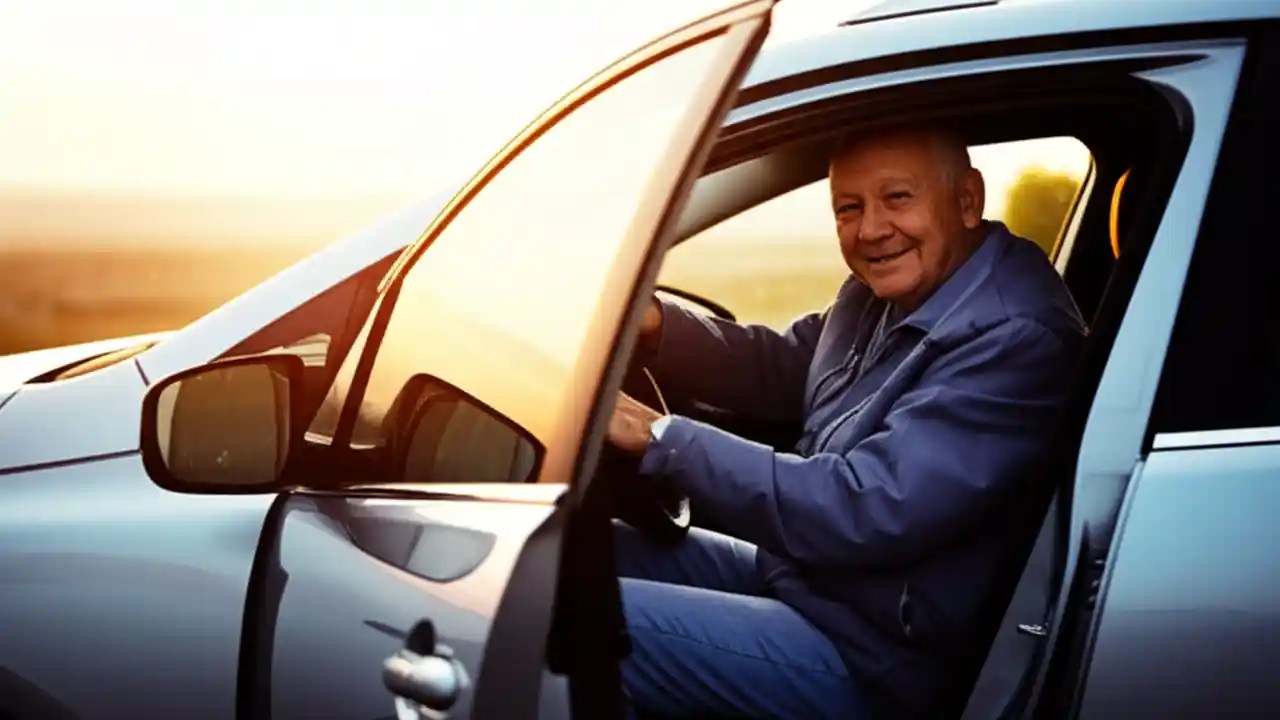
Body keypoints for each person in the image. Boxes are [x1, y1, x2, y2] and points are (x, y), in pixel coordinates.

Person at [605, 125, 1086, 719]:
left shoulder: (1014, 335)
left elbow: (866, 506)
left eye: (897, 199)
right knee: (574, 557)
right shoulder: (886, 291)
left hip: (879, 655)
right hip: (818, 587)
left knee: (572, 620)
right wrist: (652, 323)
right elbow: (784, 367)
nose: (871, 230)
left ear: (966, 199)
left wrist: (661, 437)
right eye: (849, 208)